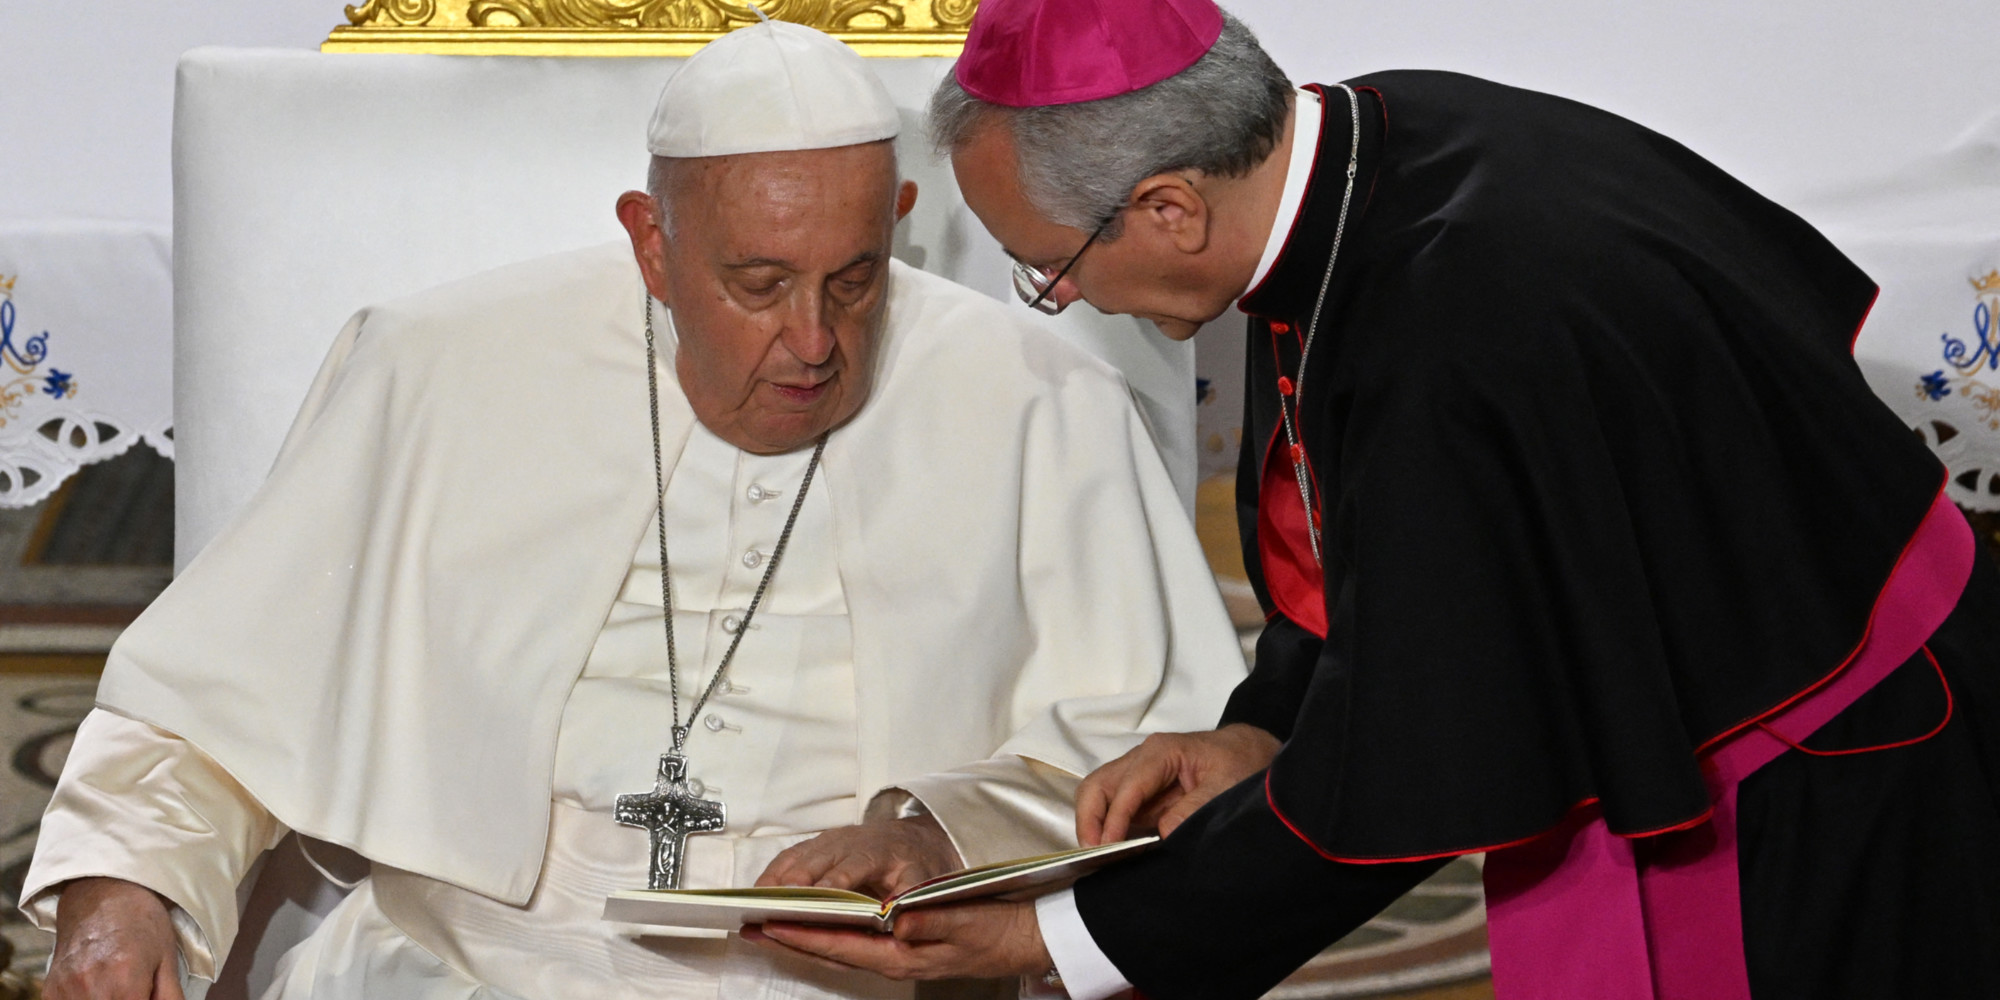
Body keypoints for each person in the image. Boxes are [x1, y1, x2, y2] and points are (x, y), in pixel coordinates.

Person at [746, 0, 2000, 997]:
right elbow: (1397, 552)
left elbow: (1417, 745)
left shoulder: (1450, 330)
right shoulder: (1371, 151)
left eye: (1048, 266)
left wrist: (1060, 939)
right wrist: (1266, 727)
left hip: (1816, 781)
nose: (1060, 299)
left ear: (1170, 207)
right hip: (1748, 663)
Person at [22, 18, 1247, 1000]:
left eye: (854, 278)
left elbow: (1160, 762)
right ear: (652, 245)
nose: (812, 341)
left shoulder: (1042, 406)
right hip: (466, 961)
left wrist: (935, 830)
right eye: (757, 284)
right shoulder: (439, 365)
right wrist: (121, 887)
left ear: (901, 228)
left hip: (847, 979)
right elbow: (216, 704)